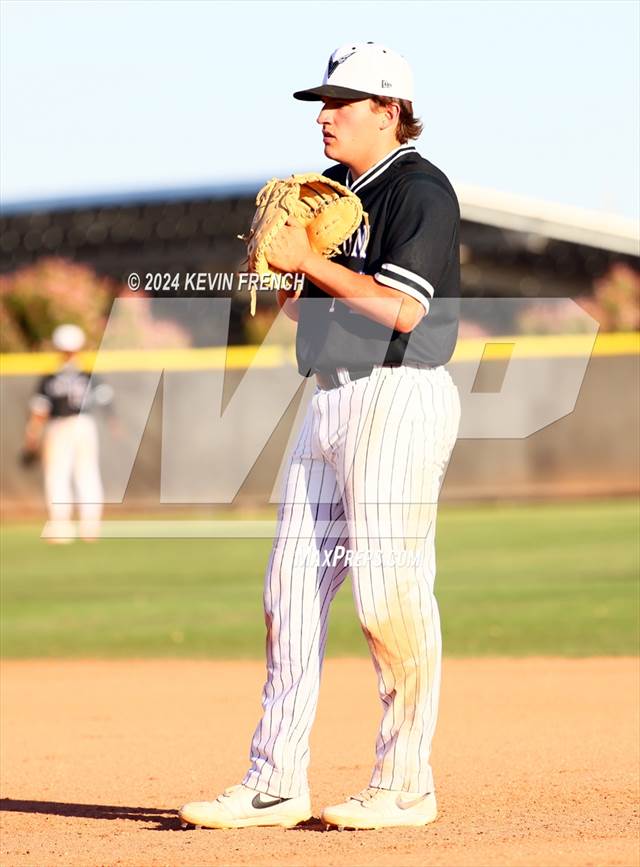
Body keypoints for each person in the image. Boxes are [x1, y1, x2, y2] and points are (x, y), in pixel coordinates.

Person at [180, 42, 461, 831]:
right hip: (329, 399)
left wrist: (311, 258)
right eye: (321, 102)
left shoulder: (418, 190)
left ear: (387, 110)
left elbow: (409, 311)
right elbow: (307, 309)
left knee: (387, 593)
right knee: (289, 592)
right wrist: (281, 278)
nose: (324, 115)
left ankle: (405, 782)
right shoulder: (327, 192)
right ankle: (274, 780)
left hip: (398, 394)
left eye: (340, 103)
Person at [23, 323, 114, 543]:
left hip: (61, 426)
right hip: (85, 425)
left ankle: (61, 527)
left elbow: (40, 411)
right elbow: (106, 402)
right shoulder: (88, 374)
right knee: (88, 473)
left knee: (58, 475)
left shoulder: (52, 377)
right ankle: (90, 526)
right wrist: (114, 422)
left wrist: (32, 436)